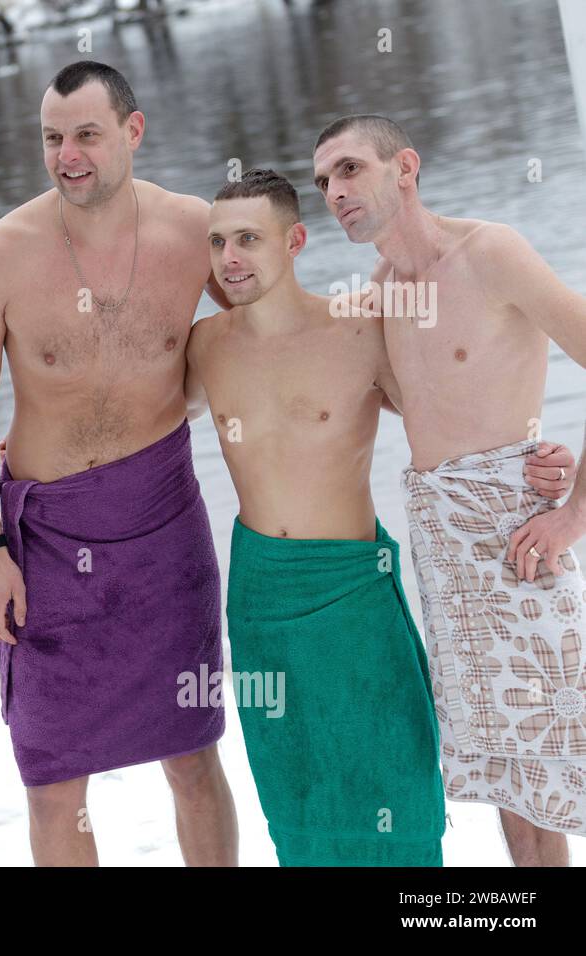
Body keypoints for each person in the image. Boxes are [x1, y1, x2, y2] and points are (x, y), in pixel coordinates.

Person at [0, 60, 236, 866]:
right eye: (51, 139)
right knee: (51, 778)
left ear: (133, 132)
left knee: (192, 752)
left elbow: (269, 337)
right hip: (41, 546)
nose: (67, 155)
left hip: (164, 529)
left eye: (85, 135)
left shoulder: (191, 230)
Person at [313, 114, 586, 864]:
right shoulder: (379, 293)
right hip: (445, 552)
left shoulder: (490, 251)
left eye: (349, 170)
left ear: (405, 168)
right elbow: (313, 367)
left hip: (523, 539)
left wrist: (574, 515)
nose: (335, 192)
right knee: (506, 770)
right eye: (324, 182)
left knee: (563, 754)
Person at [186, 168, 444, 865]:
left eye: (248, 239)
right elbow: (134, 422)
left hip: (354, 588)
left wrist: (531, 457)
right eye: (216, 243)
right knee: (296, 791)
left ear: (295, 240)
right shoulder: (206, 346)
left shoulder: (359, 325)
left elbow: (444, 414)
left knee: (397, 773)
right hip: (263, 594)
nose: (229, 258)